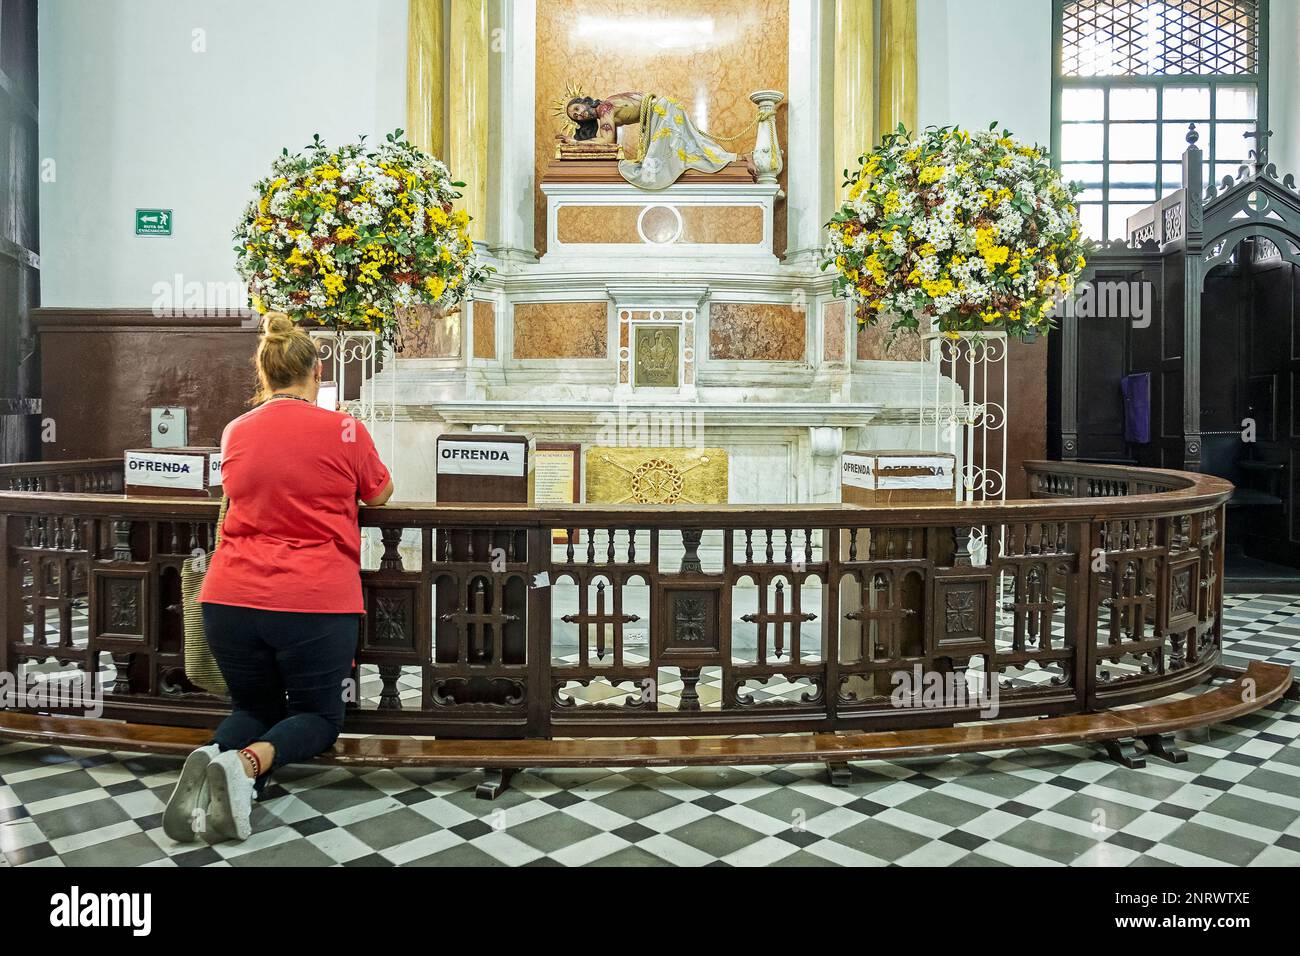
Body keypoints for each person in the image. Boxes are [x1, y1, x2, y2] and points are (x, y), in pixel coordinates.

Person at [163, 312, 394, 843]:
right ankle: (244, 766)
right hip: (312, 599)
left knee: (254, 707)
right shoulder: (344, 428)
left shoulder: (236, 430)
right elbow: (379, 493)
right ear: (316, 372)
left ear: (263, 374)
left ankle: (209, 758)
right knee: (318, 715)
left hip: (230, 597)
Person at [558, 92, 757, 188]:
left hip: (663, 112)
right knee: (693, 147)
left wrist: (575, 143)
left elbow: (607, 142)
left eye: (577, 109)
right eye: (575, 117)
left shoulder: (605, 108)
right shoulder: (606, 110)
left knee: (676, 157)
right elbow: (607, 140)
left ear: (584, 102)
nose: (579, 115)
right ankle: (739, 159)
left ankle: (738, 160)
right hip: (665, 108)